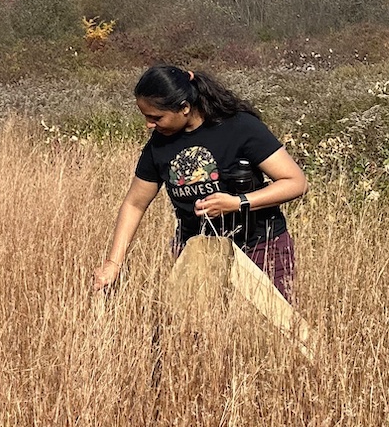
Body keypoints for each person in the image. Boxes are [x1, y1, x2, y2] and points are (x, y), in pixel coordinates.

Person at [91, 65, 309, 300]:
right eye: (146, 117)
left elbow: (295, 182)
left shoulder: (239, 127)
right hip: (197, 253)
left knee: (268, 333)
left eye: (156, 118)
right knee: (195, 333)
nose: (149, 125)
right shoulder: (158, 145)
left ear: (184, 108)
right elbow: (134, 204)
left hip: (260, 249)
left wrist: (238, 203)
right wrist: (114, 263)